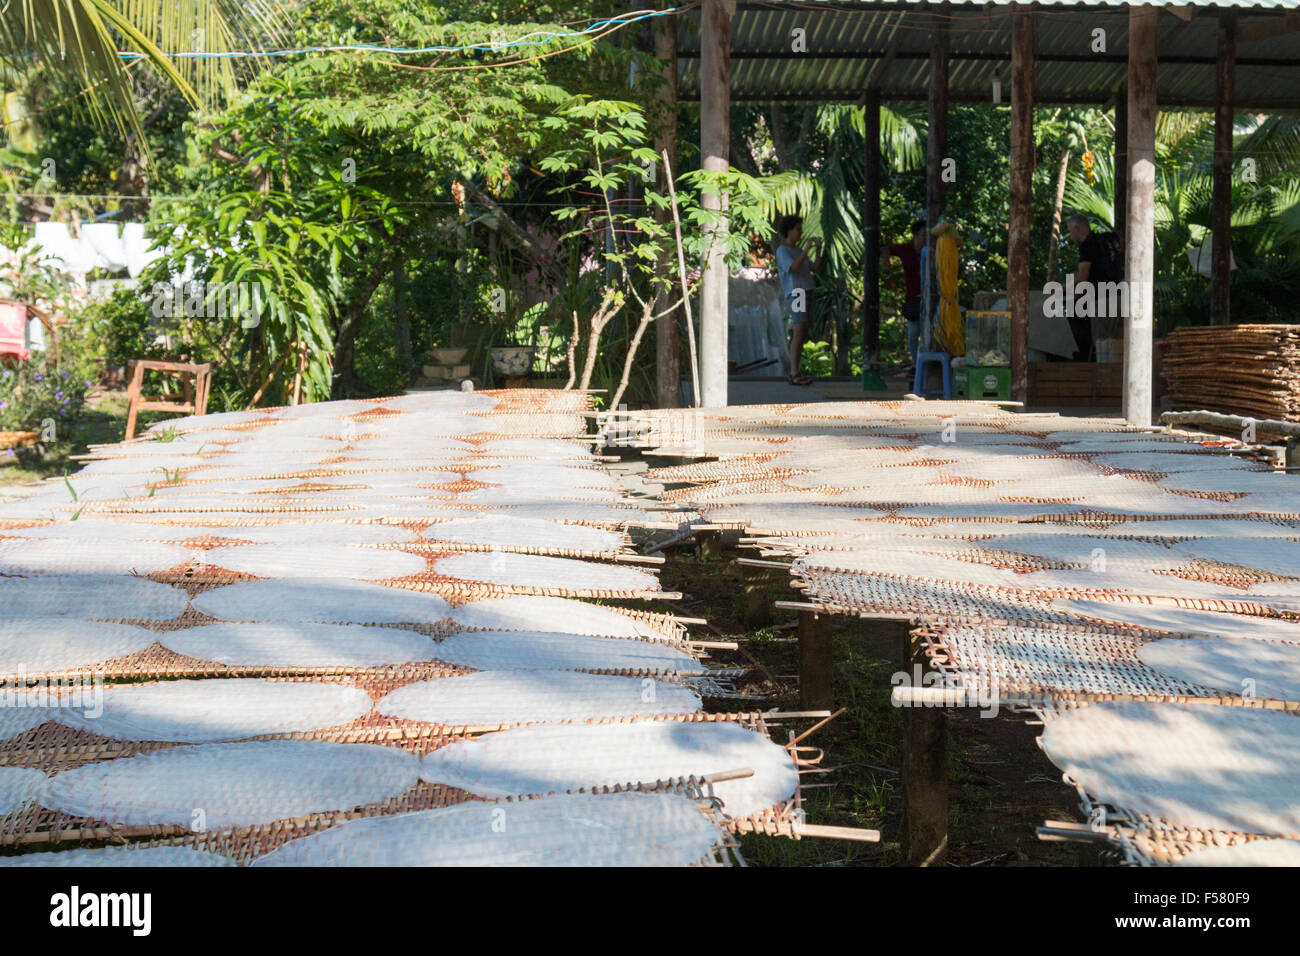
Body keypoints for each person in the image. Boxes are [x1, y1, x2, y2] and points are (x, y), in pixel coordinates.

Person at [774, 215, 823, 386]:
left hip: (807, 291)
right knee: (799, 330)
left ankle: (796, 371)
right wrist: (806, 249)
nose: (801, 233)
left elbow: (815, 268)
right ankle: (793, 372)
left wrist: (817, 251)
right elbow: (793, 268)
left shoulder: (797, 250)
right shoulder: (783, 250)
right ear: (789, 230)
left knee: (803, 332)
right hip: (797, 292)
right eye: (798, 229)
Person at [1066, 214, 1122, 361]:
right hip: (1118, 294)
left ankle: (1104, 375)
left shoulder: (1087, 245)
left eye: (1070, 230)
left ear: (1077, 228)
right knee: (1112, 339)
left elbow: (1082, 279)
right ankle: (1113, 373)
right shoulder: (1101, 242)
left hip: (1103, 298)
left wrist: (1061, 289)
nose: (1070, 235)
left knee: (1102, 340)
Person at [884, 220, 926, 368]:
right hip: (913, 298)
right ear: (915, 235)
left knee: (930, 333)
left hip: (930, 297)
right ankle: (916, 364)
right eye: (923, 234)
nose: (926, 237)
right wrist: (886, 263)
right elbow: (886, 249)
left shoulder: (932, 250)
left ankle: (927, 364)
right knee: (913, 333)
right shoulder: (906, 249)